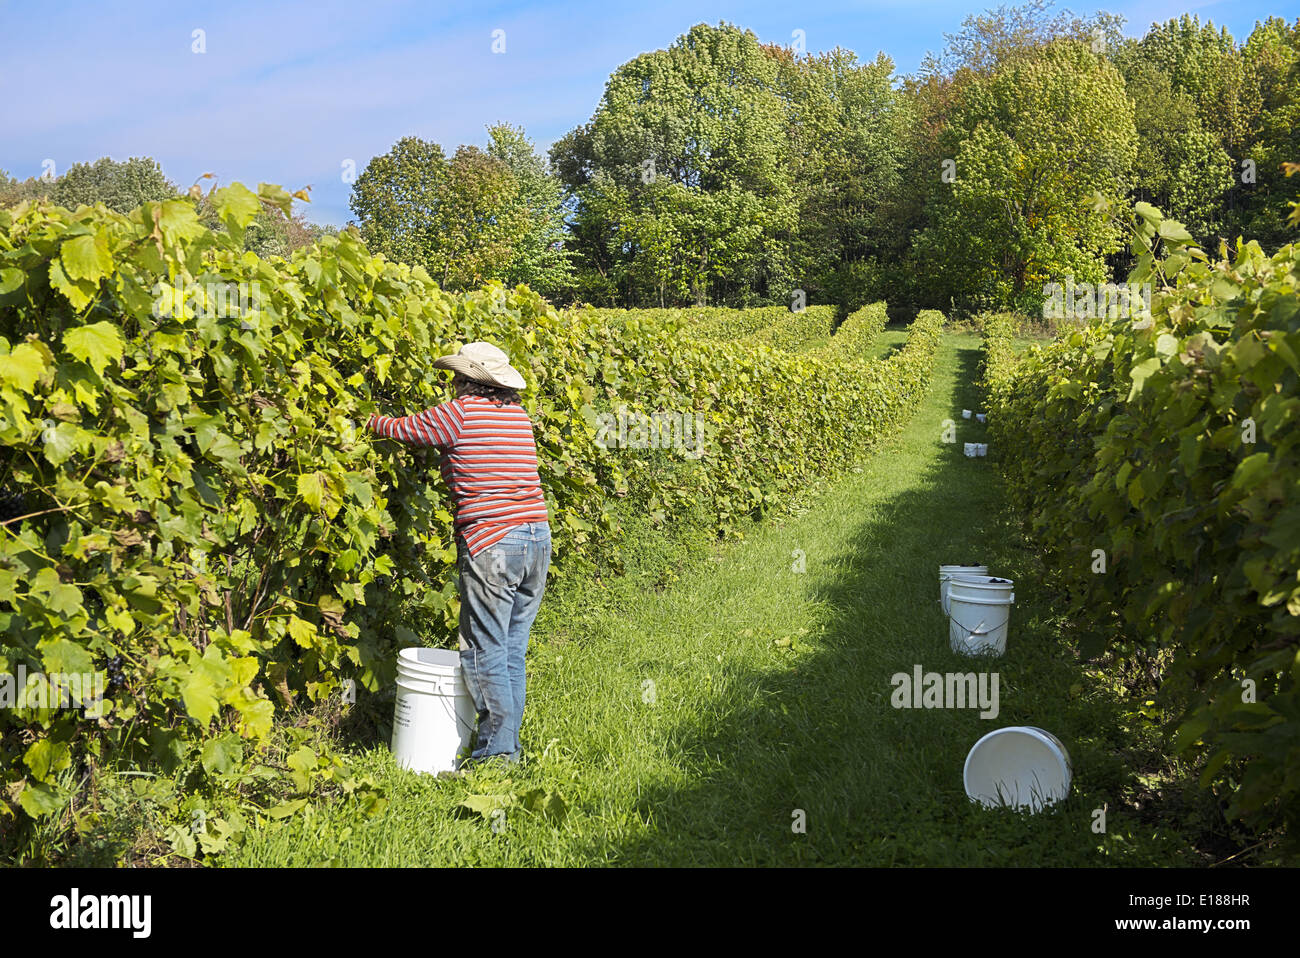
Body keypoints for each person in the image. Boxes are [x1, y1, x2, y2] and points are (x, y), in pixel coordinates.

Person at [365, 341, 551, 769]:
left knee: (483, 650)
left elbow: (406, 429)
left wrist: (367, 419)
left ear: (468, 380)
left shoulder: (460, 413)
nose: (451, 384)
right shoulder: (519, 417)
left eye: (456, 377)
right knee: (510, 650)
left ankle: (497, 754)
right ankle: (507, 745)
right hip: (537, 539)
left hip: (493, 543)